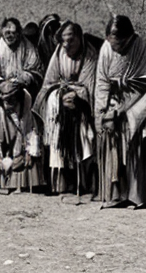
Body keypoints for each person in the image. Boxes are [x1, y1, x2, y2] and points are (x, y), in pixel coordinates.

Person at [94, 15, 146, 208]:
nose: (115, 49)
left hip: (138, 100)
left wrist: (125, 108)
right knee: (110, 136)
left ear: (127, 39)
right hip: (113, 99)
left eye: (119, 46)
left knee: (135, 143)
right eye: (112, 44)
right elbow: (102, 81)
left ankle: (137, 195)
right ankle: (115, 194)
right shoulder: (106, 48)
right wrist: (103, 111)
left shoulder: (142, 48)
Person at [34, 22, 99, 196]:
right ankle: (60, 183)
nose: (67, 45)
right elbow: (49, 82)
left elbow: (89, 87)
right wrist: (59, 92)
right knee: (56, 130)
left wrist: (76, 96)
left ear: (79, 38)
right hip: (59, 104)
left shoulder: (89, 55)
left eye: (71, 41)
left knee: (84, 138)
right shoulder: (58, 53)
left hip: (81, 108)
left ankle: (83, 183)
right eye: (64, 41)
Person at [0, 80, 44, 192]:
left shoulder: (26, 110)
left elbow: (32, 133)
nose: (7, 104)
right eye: (5, 100)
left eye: (10, 100)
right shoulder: (0, 112)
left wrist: (29, 152)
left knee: (31, 162)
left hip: (24, 154)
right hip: (7, 155)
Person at [0, 17, 44, 104]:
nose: (10, 36)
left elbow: (35, 69)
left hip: (22, 88)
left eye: (13, 33)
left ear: (18, 34)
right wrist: (0, 84)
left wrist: (22, 78)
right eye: (7, 33)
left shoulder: (27, 46)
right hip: (2, 88)